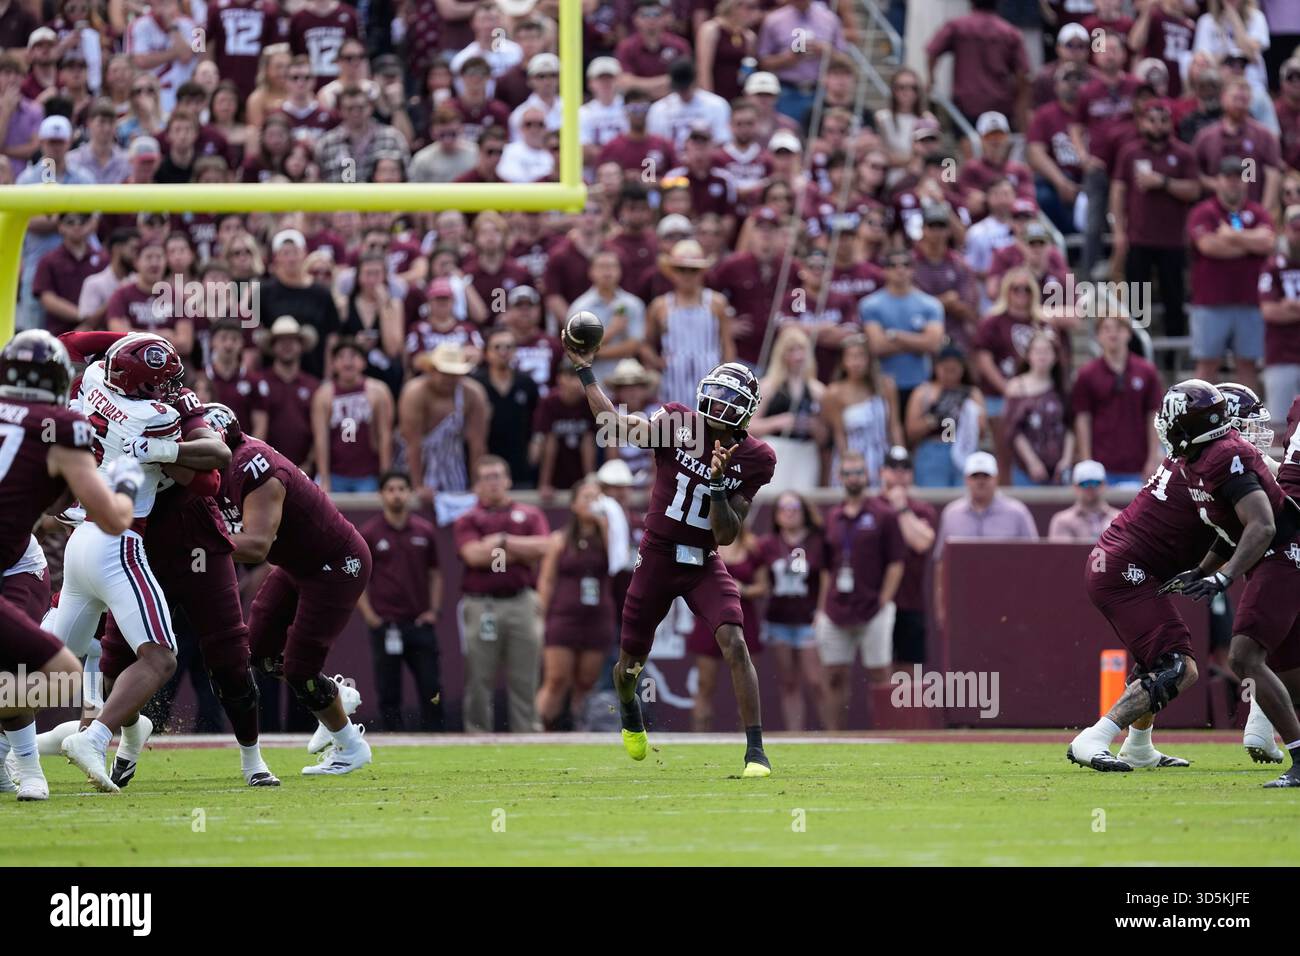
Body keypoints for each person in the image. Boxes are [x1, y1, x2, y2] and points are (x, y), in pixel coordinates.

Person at [567, 336, 777, 774]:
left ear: (746, 411)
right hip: (658, 555)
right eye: (716, 393)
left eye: (729, 400)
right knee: (629, 665)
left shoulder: (756, 457)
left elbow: (727, 533)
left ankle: (755, 750)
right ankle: (629, 710)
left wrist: (719, 486)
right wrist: (587, 371)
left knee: (734, 642)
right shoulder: (678, 420)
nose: (717, 405)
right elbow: (617, 425)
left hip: (702, 559)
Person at [52, 334, 233, 793]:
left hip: (78, 540)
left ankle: (3, 753)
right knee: (160, 659)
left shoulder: (91, 378)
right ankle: (94, 737)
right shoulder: (154, 417)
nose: (170, 388)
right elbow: (211, 477)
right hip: (118, 542)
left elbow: (71, 341)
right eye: (162, 381)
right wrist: (163, 451)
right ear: (143, 385)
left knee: (44, 663)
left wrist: (135, 343)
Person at [0, 331, 136, 802]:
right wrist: (124, 482)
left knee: (14, 667)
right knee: (64, 672)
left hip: (15, 561)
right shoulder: (57, 426)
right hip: (15, 554)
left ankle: (20, 766)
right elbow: (112, 518)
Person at [210, 404, 373, 776]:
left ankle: (351, 746)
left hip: (334, 565)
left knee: (301, 669)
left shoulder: (253, 469)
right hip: (299, 565)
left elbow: (256, 545)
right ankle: (334, 694)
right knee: (261, 650)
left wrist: (200, 542)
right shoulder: (227, 463)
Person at [454, 455, 551, 733]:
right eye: (486, 478)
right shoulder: (467, 519)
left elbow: (545, 547)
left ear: (508, 480)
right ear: (477, 486)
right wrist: (521, 552)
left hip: (521, 601)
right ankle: (476, 734)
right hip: (482, 604)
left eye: (498, 476)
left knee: (526, 675)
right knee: (479, 675)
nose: (493, 483)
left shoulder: (530, 514)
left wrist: (502, 541)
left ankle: (527, 733)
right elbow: (473, 556)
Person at [816, 451, 905, 729]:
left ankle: (885, 733)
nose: (854, 477)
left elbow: (896, 562)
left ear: (867, 476)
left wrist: (884, 599)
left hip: (872, 606)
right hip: (836, 606)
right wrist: (821, 608)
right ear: (840, 478)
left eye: (858, 472)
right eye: (848, 472)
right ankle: (834, 736)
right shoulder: (832, 517)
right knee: (834, 674)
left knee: (879, 673)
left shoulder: (884, 514)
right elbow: (825, 568)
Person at [357, 471, 443, 732]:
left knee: (431, 686)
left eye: (402, 488)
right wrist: (371, 616)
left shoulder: (425, 531)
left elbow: (436, 573)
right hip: (386, 624)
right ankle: (392, 738)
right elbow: (359, 577)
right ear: (381, 494)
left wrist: (433, 611)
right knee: (388, 689)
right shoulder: (369, 533)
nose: (397, 494)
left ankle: (437, 739)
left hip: (419, 623)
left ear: (410, 493)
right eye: (391, 489)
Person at [1110, 98, 1201, 339]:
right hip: (1139, 239)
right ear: (1142, 122)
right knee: (1137, 305)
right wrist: (1119, 231)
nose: (1157, 126)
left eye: (1163, 121)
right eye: (1152, 120)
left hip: (1173, 241)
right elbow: (1118, 192)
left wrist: (1163, 182)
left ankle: (1174, 363)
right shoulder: (1130, 152)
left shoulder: (1183, 153)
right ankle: (1136, 355)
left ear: (1170, 123)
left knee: (1174, 302)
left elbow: (1194, 189)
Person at [1187, 155, 1276, 394]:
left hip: (1249, 302)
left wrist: (1232, 236)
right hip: (1210, 302)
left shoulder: (1258, 212)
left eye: (1238, 178)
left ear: (1245, 182)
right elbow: (1209, 246)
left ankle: (1247, 420)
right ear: (1218, 181)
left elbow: (1268, 242)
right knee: (1207, 364)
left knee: (1247, 364)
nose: (1233, 183)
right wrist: (1250, 242)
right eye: (1228, 178)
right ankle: (1197, 420)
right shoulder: (1203, 212)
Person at [535, 477, 615, 731]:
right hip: (563, 617)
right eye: (587, 498)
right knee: (557, 679)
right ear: (573, 505)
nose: (592, 503)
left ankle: (579, 729)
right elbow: (546, 581)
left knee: (587, 680)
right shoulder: (559, 540)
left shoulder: (608, 535)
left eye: (597, 498)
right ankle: (537, 730)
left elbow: (619, 559)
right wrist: (540, 618)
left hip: (597, 617)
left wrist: (605, 523)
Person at [932, 452, 1039, 635]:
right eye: (975, 476)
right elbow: (942, 564)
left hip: (1008, 602)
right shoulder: (951, 514)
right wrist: (941, 605)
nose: (980, 482)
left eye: (985, 476)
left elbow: (1034, 561)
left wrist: (1029, 604)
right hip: (963, 602)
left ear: (996, 478)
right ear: (966, 479)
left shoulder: (1017, 513)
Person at [687, 518, 768, 731]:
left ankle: (750, 741)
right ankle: (699, 741)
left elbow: (763, 586)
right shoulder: (702, 544)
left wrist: (743, 589)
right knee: (705, 684)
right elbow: (689, 580)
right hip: (709, 619)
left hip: (744, 618)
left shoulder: (752, 547)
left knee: (747, 685)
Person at [759, 491, 825, 732]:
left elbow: (827, 577)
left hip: (809, 618)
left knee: (816, 681)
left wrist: (821, 610)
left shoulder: (817, 540)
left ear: (804, 510)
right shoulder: (767, 544)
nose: (789, 511)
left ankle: (832, 733)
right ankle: (795, 735)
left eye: (794, 506)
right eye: (783, 508)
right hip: (779, 619)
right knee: (788, 682)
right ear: (776, 514)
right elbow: (760, 579)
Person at [643, 239, 734, 408]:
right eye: (681, 269)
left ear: (701, 272)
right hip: (673, 380)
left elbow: (727, 346)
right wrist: (656, 362)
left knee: (707, 429)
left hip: (709, 378)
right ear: (672, 272)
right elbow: (645, 344)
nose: (687, 275)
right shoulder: (660, 305)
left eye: (693, 270)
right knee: (675, 427)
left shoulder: (716, 303)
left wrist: (726, 380)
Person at [398, 343, 489, 505]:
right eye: (444, 373)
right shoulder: (415, 393)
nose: (449, 379)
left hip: (453, 463)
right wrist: (417, 485)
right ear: (431, 370)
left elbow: (477, 443)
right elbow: (413, 443)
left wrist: (477, 483)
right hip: (415, 462)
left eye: (454, 373)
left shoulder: (473, 394)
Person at [860, 250, 946, 417]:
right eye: (893, 265)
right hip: (883, 384)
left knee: (917, 434)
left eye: (906, 265)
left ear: (913, 269)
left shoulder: (930, 304)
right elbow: (877, 346)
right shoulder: (870, 304)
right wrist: (918, 342)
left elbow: (934, 344)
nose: (900, 270)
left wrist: (894, 336)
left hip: (921, 383)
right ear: (885, 270)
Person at [925, 0, 1028, 131]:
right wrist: (1020, 104)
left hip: (966, 103)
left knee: (967, 146)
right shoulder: (1010, 32)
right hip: (999, 104)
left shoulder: (957, 26)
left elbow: (933, 51)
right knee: (997, 148)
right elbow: (1023, 73)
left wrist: (931, 78)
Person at [877, 446, 937, 668]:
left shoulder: (922, 510)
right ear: (881, 472)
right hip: (877, 603)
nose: (899, 473)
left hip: (910, 602)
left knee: (907, 675)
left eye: (905, 468)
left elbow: (921, 543)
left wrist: (901, 507)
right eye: (893, 468)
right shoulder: (872, 507)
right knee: (879, 671)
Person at [748, 325, 826, 493]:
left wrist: (813, 426)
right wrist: (778, 422)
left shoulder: (817, 390)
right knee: (771, 495)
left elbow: (825, 437)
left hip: (805, 452)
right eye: (792, 350)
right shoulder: (768, 386)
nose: (798, 355)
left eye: (801, 349)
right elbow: (748, 427)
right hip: (777, 448)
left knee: (804, 496)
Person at [311, 339, 394, 494]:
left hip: (369, 475)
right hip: (335, 475)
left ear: (363, 362)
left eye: (353, 356)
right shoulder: (323, 394)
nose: (347, 362)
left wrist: (385, 477)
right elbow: (320, 439)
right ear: (333, 364)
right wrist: (324, 478)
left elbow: (385, 435)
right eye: (341, 357)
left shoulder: (378, 391)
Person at [256, 228, 341, 378]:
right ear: (277, 258)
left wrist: (329, 376)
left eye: (295, 252)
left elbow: (331, 338)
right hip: (273, 376)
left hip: (314, 372)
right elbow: (254, 336)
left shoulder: (321, 293)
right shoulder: (264, 292)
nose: (291, 258)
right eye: (285, 253)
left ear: (304, 254)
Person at [822, 334, 902, 487]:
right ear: (843, 362)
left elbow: (894, 426)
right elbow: (839, 434)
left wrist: (900, 456)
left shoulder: (886, 386)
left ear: (868, 360)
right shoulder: (834, 393)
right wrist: (848, 465)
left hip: (882, 457)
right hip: (853, 458)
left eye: (860, 356)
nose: (855, 362)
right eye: (851, 357)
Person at [1003, 329, 1074, 486]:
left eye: (1047, 351)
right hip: (1026, 467)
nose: (1042, 356)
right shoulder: (1016, 386)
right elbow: (1013, 430)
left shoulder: (1062, 387)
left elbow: (1070, 426)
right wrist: (1032, 462)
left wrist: (1066, 460)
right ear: (1028, 355)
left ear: (1055, 356)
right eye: (1037, 351)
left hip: (1058, 468)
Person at [253, 315, 319, 473]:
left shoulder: (313, 385)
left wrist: (310, 462)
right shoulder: (258, 382)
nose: (287, 345)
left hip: (305, 469)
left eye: (292, 340)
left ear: (301, 345)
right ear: (273, 346)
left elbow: (320, 428)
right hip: (266, 469)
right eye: (281, 341)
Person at [1259, 205, 1300, 422]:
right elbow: (1269, 311)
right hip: (1281, 354)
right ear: (1286, 230)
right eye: (1296, 230)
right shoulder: (1273, 266)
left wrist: (1291, 305)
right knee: (1279, 427)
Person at [1048, 460, 1122, 543]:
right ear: (1075, 487)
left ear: (1104, 485)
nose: (1090, 488)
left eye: (1095, 482)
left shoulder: (1119, 520)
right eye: (1084, 483)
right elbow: (1061, 554)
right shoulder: (1062, 520)